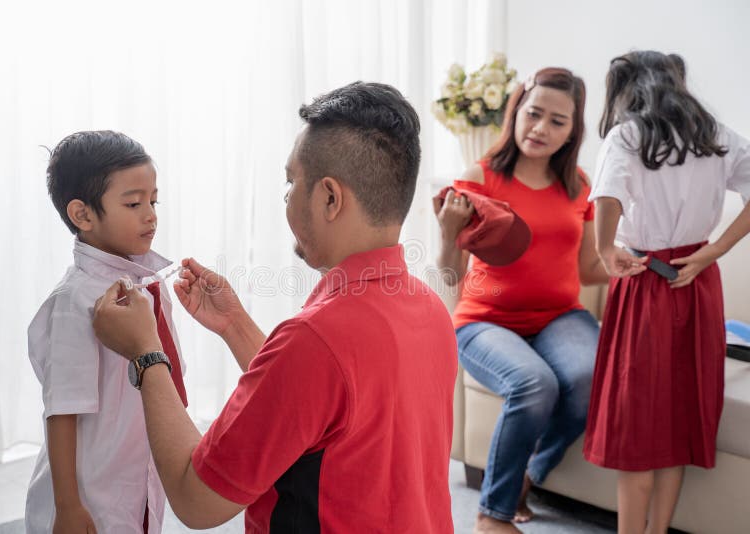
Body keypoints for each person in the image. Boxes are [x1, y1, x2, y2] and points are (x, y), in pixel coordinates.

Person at [91, 82, 458, 533]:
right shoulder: (428, 308)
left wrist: (147, 354)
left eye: (291, 181)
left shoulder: (316, 340)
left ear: (329, 197)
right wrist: (234, 325)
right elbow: (318, 409)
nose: (286, 196)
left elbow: (195, 499)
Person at [434, 67, 610, 534]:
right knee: (535, 383)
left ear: (574, 129)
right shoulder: (481, 177)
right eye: (534, 114)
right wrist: (448, 232)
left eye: (558, 121)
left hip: (559, 316)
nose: (541, 129)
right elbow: (452, 274)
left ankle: (529, 472)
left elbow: (589, 267)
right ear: (515, 112)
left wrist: (631, 259)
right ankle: (493, 515)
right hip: (483, 320)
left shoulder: (580, 185)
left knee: (592, 377)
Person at [583, 50, 750, 534]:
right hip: (697, 283)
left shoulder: (627, 135)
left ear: (626, 90)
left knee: (639, 431)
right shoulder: (713, 134)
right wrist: (713, 250)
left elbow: (607, 198)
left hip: (646, 284)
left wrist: (606, 249)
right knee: (676, 425)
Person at [25, 131, 187, 533]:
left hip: (136, 473)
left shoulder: (146, 283)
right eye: (133, 203)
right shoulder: (77, 301)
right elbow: (62, 409)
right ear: (83, 215)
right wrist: (67, 506)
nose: (150, 214)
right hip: (92, 492)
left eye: (153, 200)